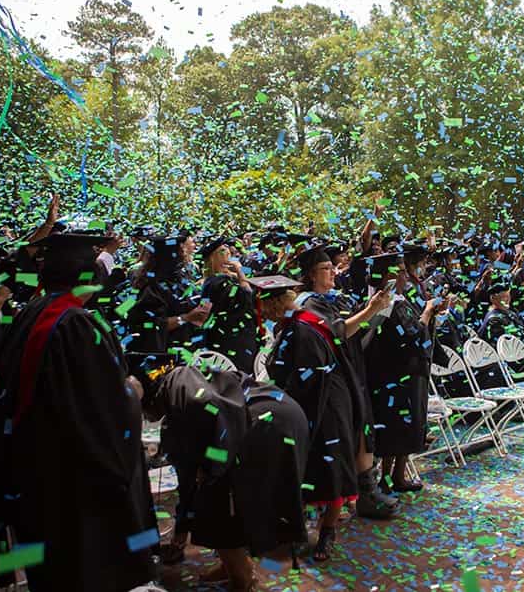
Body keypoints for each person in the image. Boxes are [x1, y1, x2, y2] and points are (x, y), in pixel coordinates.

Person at [0, 233, 157, 592]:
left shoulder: (30, 314)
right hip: (75, 479)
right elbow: (105, 406)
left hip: (33, 472)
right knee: (84, 567)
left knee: (49, 566)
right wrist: (134, 390)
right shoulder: (79, 325)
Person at [131, 358, 309, 592]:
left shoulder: (180, 388)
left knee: (217, 513)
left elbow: (198, 460)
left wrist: (211, 471)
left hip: (267, 426)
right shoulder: (180, 383)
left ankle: (242, 579)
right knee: (225, 506)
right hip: (279, 416)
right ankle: (232, 565)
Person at [258, 275, 375, 562]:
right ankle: (303, 530)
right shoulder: (296, 323)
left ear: (276, 305)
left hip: (325, 405)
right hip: (318, 401)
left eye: (267, 307)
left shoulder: (303, 328)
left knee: (332, 467)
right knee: (312, 469)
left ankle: (327, 532)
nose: (266, 314)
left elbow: (308, 376)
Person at [294, 242, 401, 519]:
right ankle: (331, 503)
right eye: (325, 269)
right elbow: (335, 333)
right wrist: (368, 311)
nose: (332, 273)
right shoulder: (307, 303)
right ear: (310, 274)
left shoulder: (337, 298)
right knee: (339, 434)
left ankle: (367, 493)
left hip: (353, 371)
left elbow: (360, 328)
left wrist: (377, 309)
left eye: (332, 268)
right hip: (329, 379)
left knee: (363, 426)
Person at [363, 248, 444, 494]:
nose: (406, 276)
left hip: (408, 375)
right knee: (394, 430)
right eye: (399, 272)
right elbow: (409, 337)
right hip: (392, 377)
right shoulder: (384, 304)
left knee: (407, 427)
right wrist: (428, 313)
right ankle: (388, 479)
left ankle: (399, 475)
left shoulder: (399, 300)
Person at [199, 237, 260, 375]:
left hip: (220, 338)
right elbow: (247, 296)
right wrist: (240, 272)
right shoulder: (220, 283)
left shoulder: (210, 281)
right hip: (233, 340)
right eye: (225, 254)